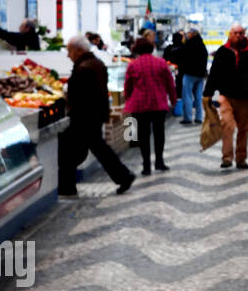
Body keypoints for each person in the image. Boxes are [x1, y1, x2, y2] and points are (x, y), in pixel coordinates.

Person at [57, 35, 135, 197]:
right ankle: (123, 176)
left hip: (84, 117)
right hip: (94, 115)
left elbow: (79, 97)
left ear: (79, 50)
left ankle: (68, 188)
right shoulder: (95, 63)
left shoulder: (84, 68)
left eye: (70, 51)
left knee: (72, 151)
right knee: (95, 148)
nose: (68, 55)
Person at [203, 23, 248, 169]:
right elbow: (214, 73)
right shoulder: (223, 51)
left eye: (241, 33)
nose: (238, 36)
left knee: (243, 129)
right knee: (227, 125)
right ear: (230, 34)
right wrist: (208, 93)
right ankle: (227, 157)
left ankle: (241, 158)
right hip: (226, 96)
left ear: (244, 34)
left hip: (245, 97)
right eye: (235, 33)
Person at [123, 37, 176, 177]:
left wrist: (128, 99)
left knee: (143, 136)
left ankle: (146, 165)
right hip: (158, 103)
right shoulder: (161, 63)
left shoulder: (133, 65)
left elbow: (128, 85)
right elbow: (170, 83)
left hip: (140, 105)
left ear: (137, 49)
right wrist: (173, 98)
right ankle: (159, 161)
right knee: (159, 134)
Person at [172, 29, 209, 125]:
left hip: (190, 74)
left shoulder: (189, 44)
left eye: (188, 33)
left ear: (192, 34)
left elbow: (179, 52)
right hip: (200, 75)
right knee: (198, 97)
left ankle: (188, 118)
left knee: (187, 96)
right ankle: (199, 117)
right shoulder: (202, 45)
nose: (187, 35)